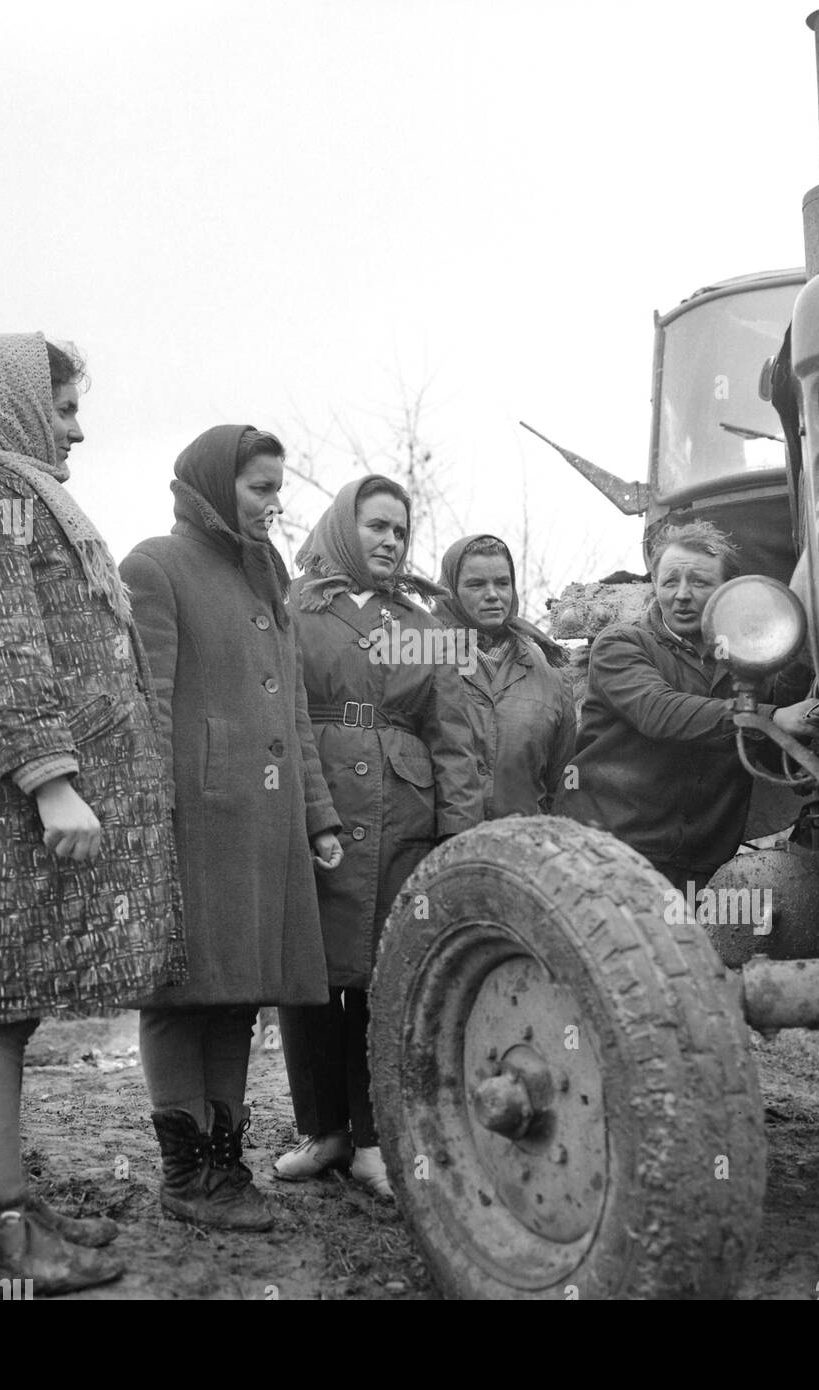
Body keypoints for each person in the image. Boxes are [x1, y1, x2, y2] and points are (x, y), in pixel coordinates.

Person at [0, 333, 185, 1294]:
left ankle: (10, 1203)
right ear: (13, 403)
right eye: (62, 408)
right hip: (5, 809)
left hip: (13, 804)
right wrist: (53, 779)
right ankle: (0, 1234)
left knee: (8, 1008)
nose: (77, 427)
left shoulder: (8, 489)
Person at [119, 424, 342, 1233]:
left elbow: (296, 716)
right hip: (190, 821)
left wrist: (317, 815)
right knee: (181, 997)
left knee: (237, 996)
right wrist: (145, 819)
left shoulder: (267, 580)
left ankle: (224, 1166)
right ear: (216, 486)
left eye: (279, 489)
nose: (273, 505)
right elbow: (139, 705)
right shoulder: (155, 565)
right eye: (258, 488)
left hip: (266, 825)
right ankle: (185, 1176)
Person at [275, 476, 482, 1198]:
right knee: (305, 978)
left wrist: (457, 834)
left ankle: (371, 1140)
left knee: (381, 979)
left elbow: (453, 738)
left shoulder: (426, 626)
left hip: (403, 819)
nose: (392, 540)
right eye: (376, 527)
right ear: (342, 528)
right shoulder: (293, 608)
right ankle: (323, 1129)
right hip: (315, 803)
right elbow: (279, 715)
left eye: (400, 529)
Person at [555, 520, 819, 892]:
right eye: (669, 582)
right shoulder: (622, 645)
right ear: (655, 586)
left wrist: (801, 706)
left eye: (699, 582)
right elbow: (660, 712)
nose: (682, 595)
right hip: (609, 854)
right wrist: (770, 717)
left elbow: (772, 760)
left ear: (728, 592)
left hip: (700, 864)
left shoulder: (746, 659)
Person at [432, 534, 575, 819]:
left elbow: (566, 775)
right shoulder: (422, 654)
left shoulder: (549, 670)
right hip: (438, 845)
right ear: (451, 591)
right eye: (476, 584)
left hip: (524, 845)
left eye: (502, 582)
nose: (493, 595)